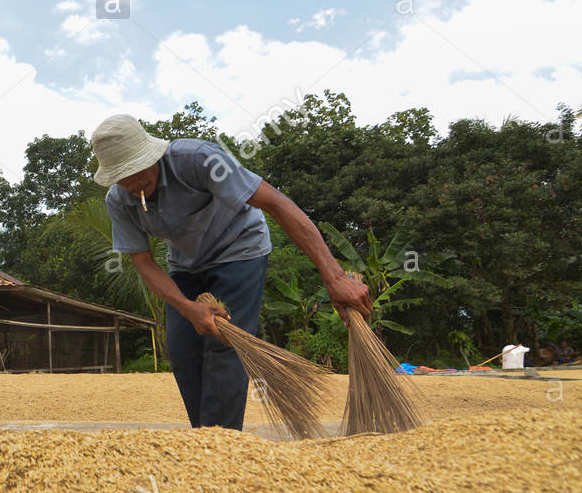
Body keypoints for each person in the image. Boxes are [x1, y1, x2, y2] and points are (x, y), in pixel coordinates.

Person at [92, 113, 372, 429]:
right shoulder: (119, 201)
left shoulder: (199, 160)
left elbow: (277, 203)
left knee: (224, 343)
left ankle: (222, 443)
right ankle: (206, 437)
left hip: (240, 251)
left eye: (136, 169)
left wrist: (333, 276)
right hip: (186, 266)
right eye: (121, 177)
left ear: (152, 154)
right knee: (183, 351)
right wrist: (188, 308)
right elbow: (144, 263)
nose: (132, 183)